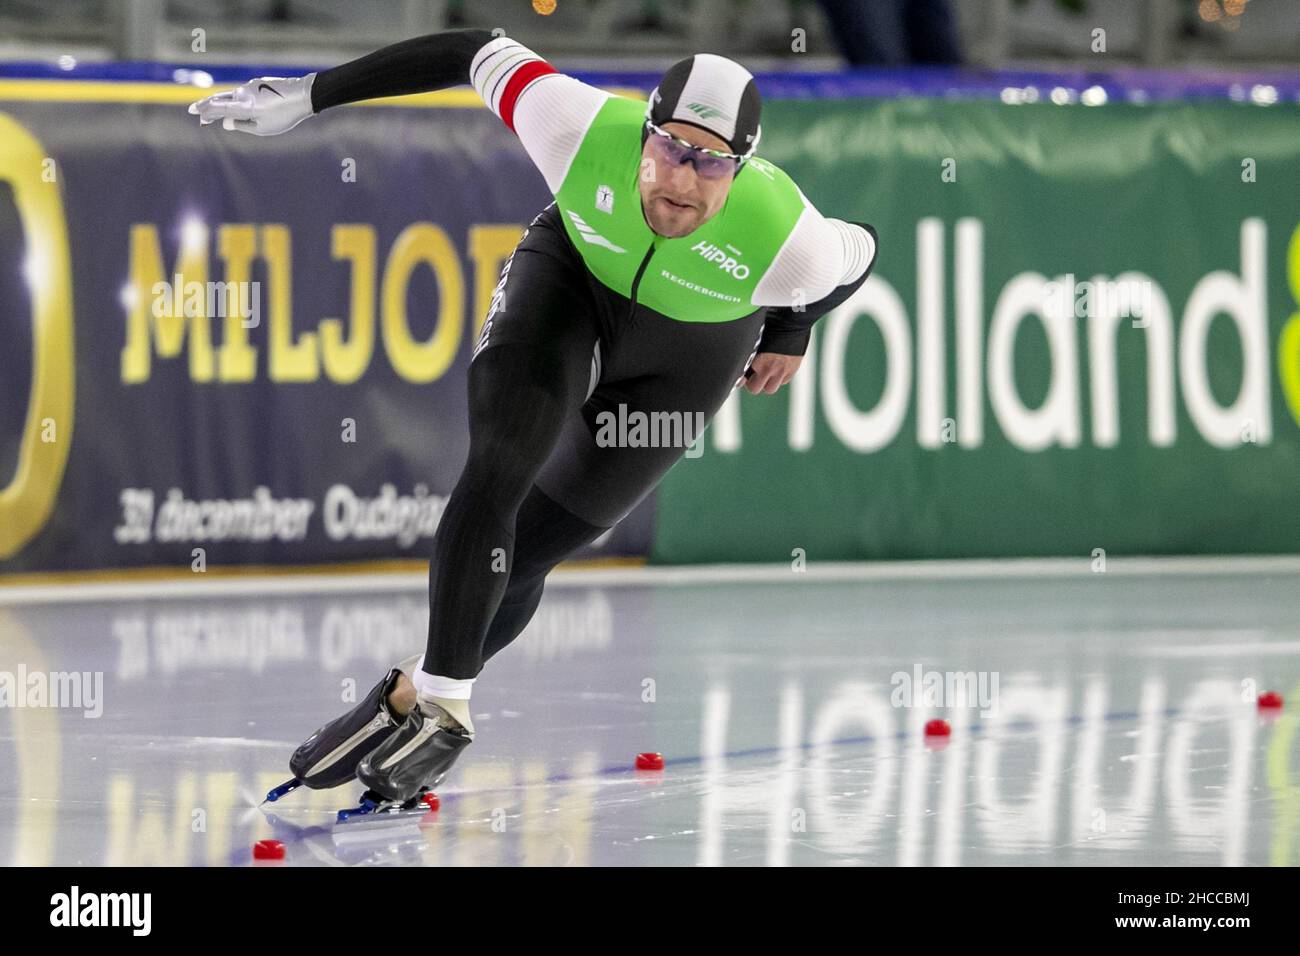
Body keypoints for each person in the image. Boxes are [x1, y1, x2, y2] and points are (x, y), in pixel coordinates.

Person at [190, 29, 878, 809]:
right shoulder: (576, 125)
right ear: (644, 135)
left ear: (741, 170)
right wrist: (313, 95)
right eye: (672, 151)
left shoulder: (793, 242)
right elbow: (471, 50)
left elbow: (864, 250)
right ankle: (448, 708)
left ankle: (414, 697)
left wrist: (792, 327)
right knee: (501, 464)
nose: (684, 180)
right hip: (569, 286)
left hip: (683, 360)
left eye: (712, 162)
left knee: (524, 559)